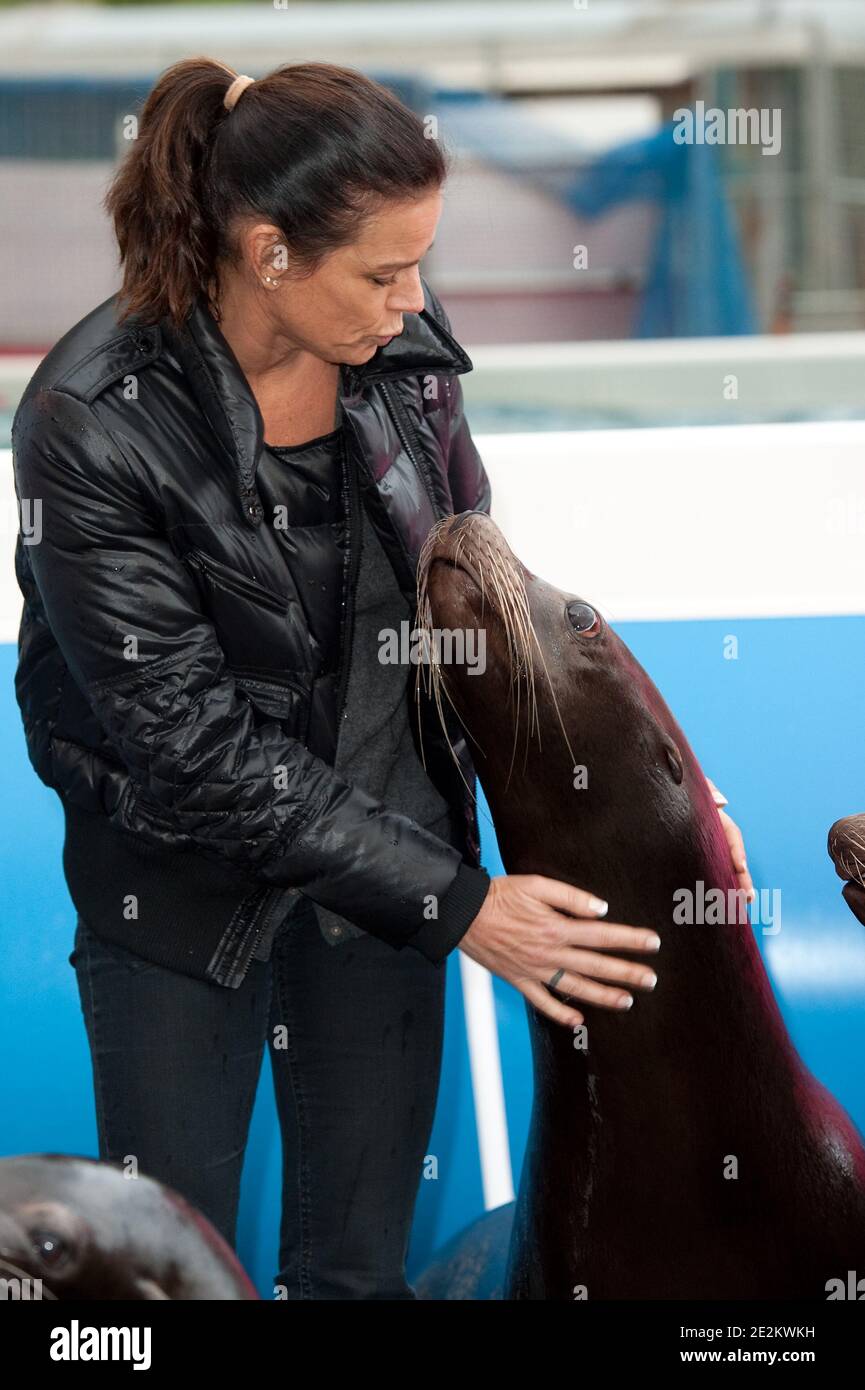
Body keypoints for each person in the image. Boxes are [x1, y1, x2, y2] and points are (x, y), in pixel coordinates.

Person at [11, 58, 753, 1299]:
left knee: (359, 1272)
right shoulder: (92, 420)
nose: (413, 301)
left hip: (383, 891)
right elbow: (194, 757)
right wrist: (463, 906)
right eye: (381, 271)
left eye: (421, 263)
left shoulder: (400, 356)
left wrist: (662, 788)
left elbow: (480, 604)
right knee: (153, 1275)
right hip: (181, 903)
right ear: (268, 253)